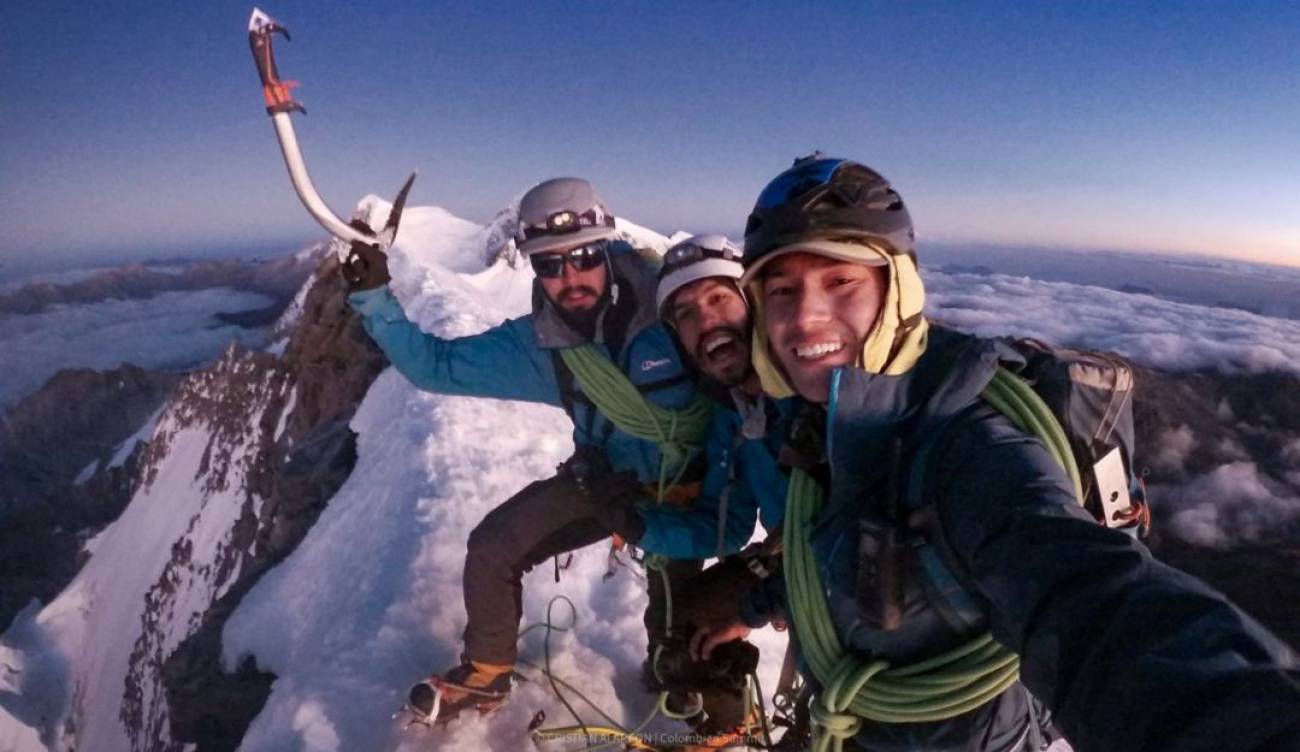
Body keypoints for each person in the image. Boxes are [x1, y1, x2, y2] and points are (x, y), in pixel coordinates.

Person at [693, 156, 1300, 752]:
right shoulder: (826, 426)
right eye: (781, 290)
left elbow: (1092, 599)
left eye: (841, 281)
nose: (805, 316)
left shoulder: (970, 447)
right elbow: (832, 556)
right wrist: (753, 607)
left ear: (896, 290)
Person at [344, 177, 710, 723]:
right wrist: (374, 297)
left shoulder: (676, 307)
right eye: (550, 264)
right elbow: (436, 366)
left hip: (692, 486)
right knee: (494, 547)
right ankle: (486, 674)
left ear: (607, 247)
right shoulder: (542, 343)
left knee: (685, 614)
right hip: (607, 481)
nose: (570, 277)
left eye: (584, 257)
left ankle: (689, 688)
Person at [583, 234, 793, 748]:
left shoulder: (810, 389)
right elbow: (726, 527)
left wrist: (761, 605)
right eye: (687, 315)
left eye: (719, 298)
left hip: (853, 574)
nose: (707, 320)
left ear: (753, 303)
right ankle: (728, 728)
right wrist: (639, 524)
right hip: (791, 564)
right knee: (687, 617)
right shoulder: (733, 417)